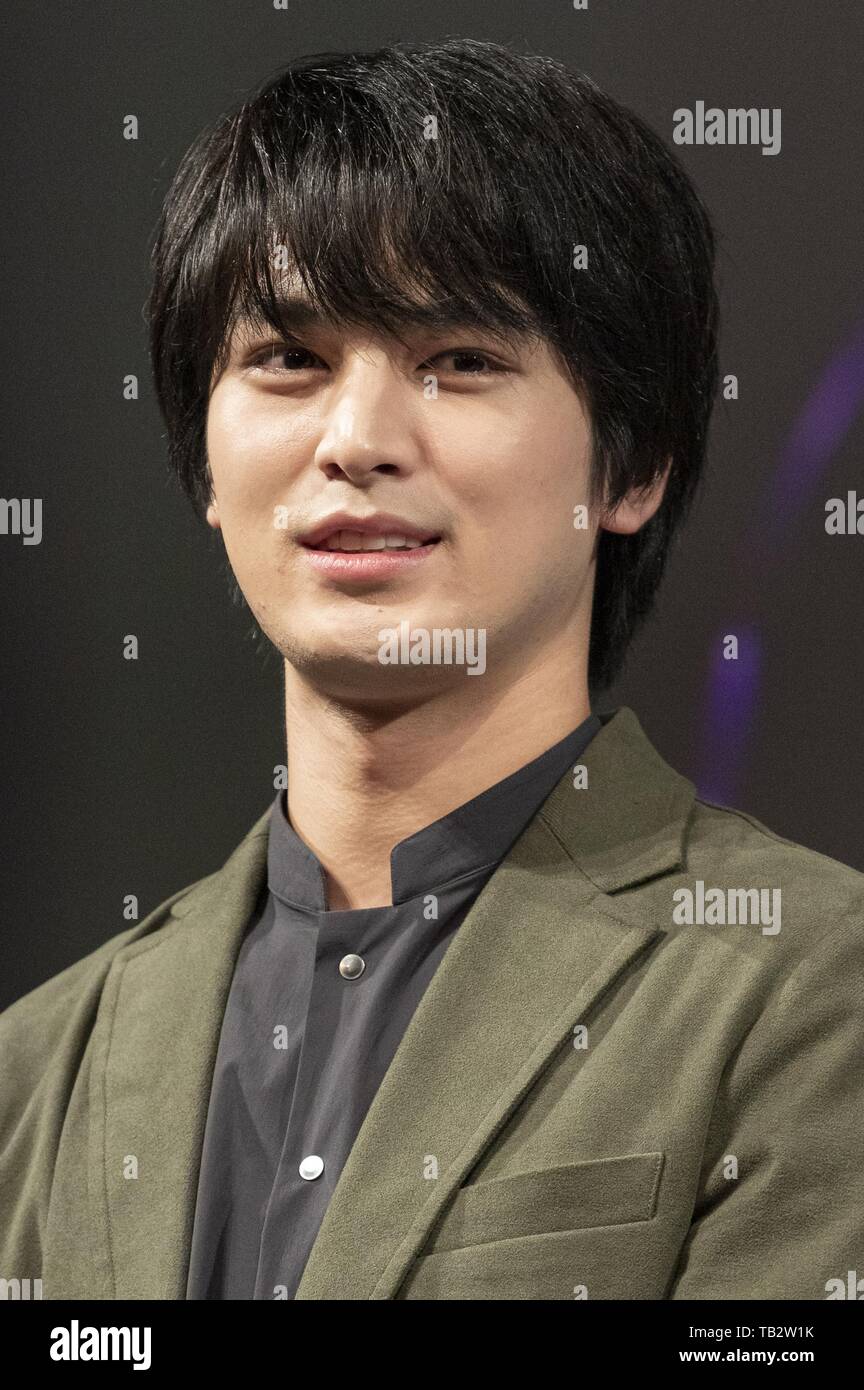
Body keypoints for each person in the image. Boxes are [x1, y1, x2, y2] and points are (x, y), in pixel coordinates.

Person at [1, 38, 861, 1302]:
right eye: (288, 358)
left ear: (632, 469)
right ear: (203, 457)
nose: (355, 440)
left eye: (460, 360)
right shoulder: (40, 1066)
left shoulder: (811, 989)